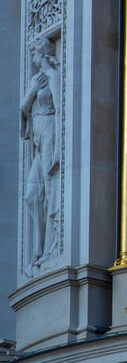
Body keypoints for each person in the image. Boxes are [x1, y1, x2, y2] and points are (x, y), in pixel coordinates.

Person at [20, 34, 61, 271]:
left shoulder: (53, 77)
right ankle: (37, 250)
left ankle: (49, 250)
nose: (33, 57)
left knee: (49, 191)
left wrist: (57, 148)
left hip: (49, 133)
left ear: (44, 53)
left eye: (35, 52)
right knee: (32, 195)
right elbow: (23, 108)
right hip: (37, 137)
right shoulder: (38, 79)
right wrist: (34, 87)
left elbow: (60, 110)